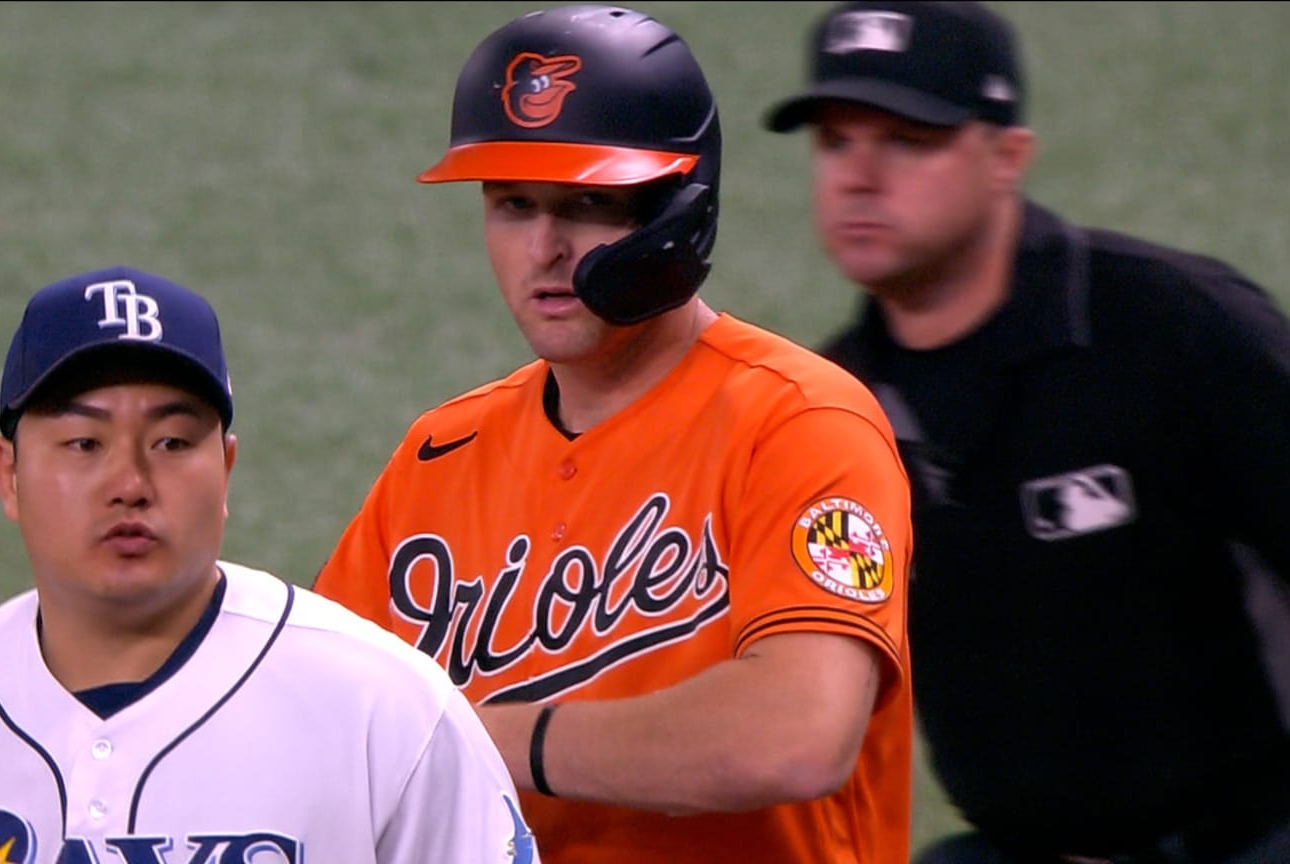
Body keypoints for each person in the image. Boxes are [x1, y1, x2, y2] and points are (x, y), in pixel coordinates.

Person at [311, 5, 915, 862]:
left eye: (589, 204)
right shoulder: (441, 455)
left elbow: (797, 734)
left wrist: (479, 740)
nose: (545, 249)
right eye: (513, 204)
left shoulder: (802, 425)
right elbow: (322, 729)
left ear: (684, 214)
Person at [0, 265, 539, 864]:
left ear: (226, 468)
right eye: (83, 444)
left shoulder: (384, 708)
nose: (130, 484)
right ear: (8, 474)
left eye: (172, 442)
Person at [761, 2, 1290, 862]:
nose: (859, 176)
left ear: (1007, 155)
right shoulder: (827, 416)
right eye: (834, 142)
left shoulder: (1174, 328)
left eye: (906, 138)